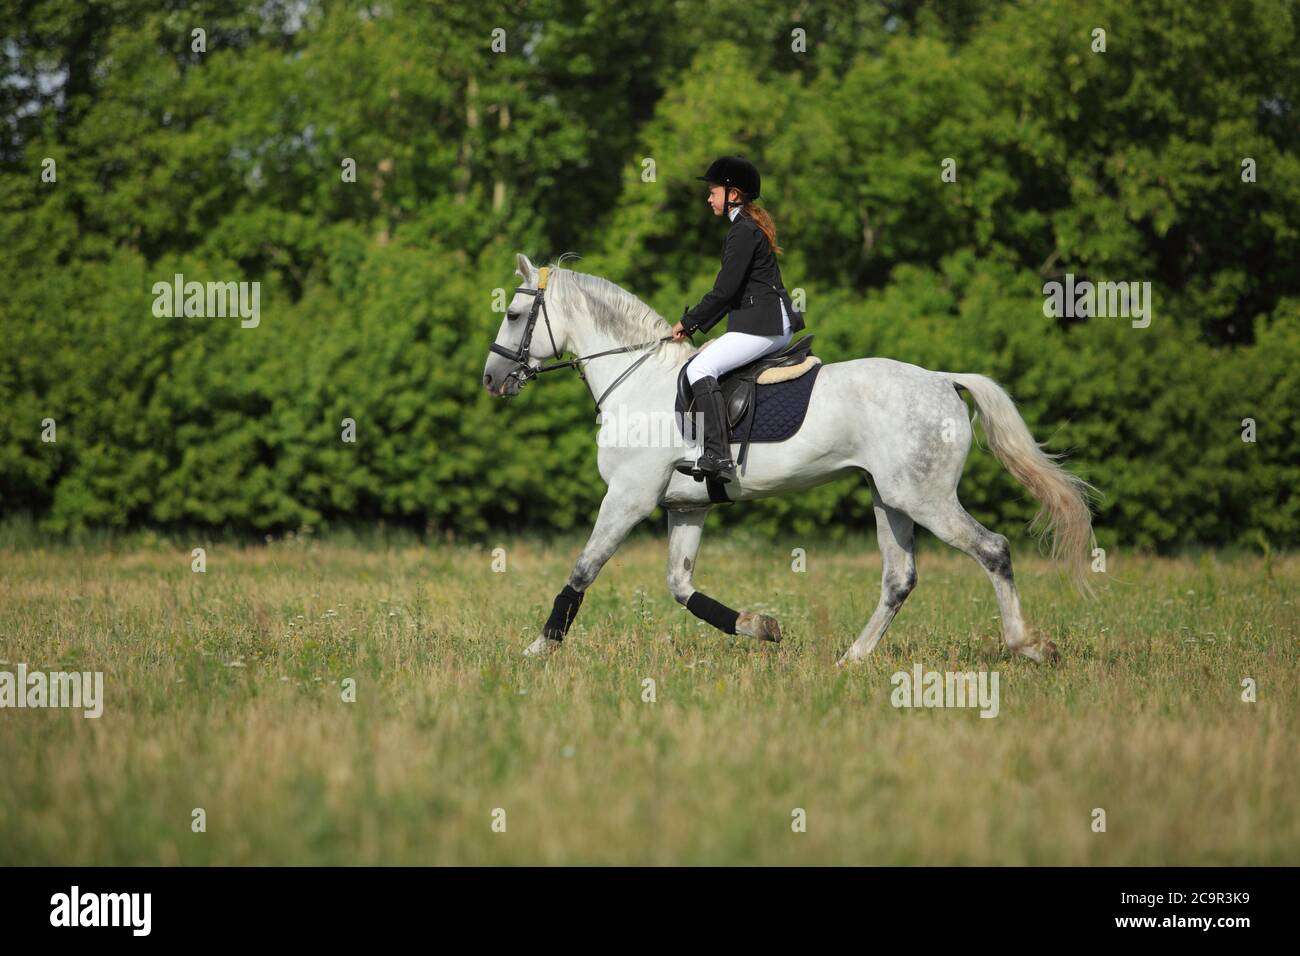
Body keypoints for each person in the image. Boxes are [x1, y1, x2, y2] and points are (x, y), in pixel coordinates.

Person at [672, 155, 806, 483]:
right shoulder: (745, 227)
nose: (708, 198)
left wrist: (687, 323)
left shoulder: (742, 231)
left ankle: (718, 456)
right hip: (764, 322)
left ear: (733, 194)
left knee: (700, 368)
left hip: (764, 324)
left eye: (713, 191)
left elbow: (725, 290)